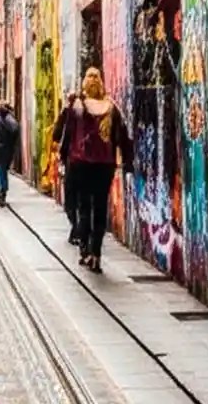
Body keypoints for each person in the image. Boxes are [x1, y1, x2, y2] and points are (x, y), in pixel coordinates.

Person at [57, 67, 133, 273]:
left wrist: (62, 158)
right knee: (100, 208)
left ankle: (85, 251)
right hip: (104, 166)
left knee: (83, 207)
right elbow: (123, 138)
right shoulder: (111, 107)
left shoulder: (75, 106)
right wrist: (128, 163)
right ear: (101, 83)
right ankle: (96, 253)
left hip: (79, 164)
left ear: (84, 83)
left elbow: (61, 134)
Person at [51, 90, 80, 244]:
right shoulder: (96, 112)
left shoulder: (68, 113)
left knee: (71, 198)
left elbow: (57, 135)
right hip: (96, 166)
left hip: (73, 162)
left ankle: (76, 227)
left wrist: (61, 154)